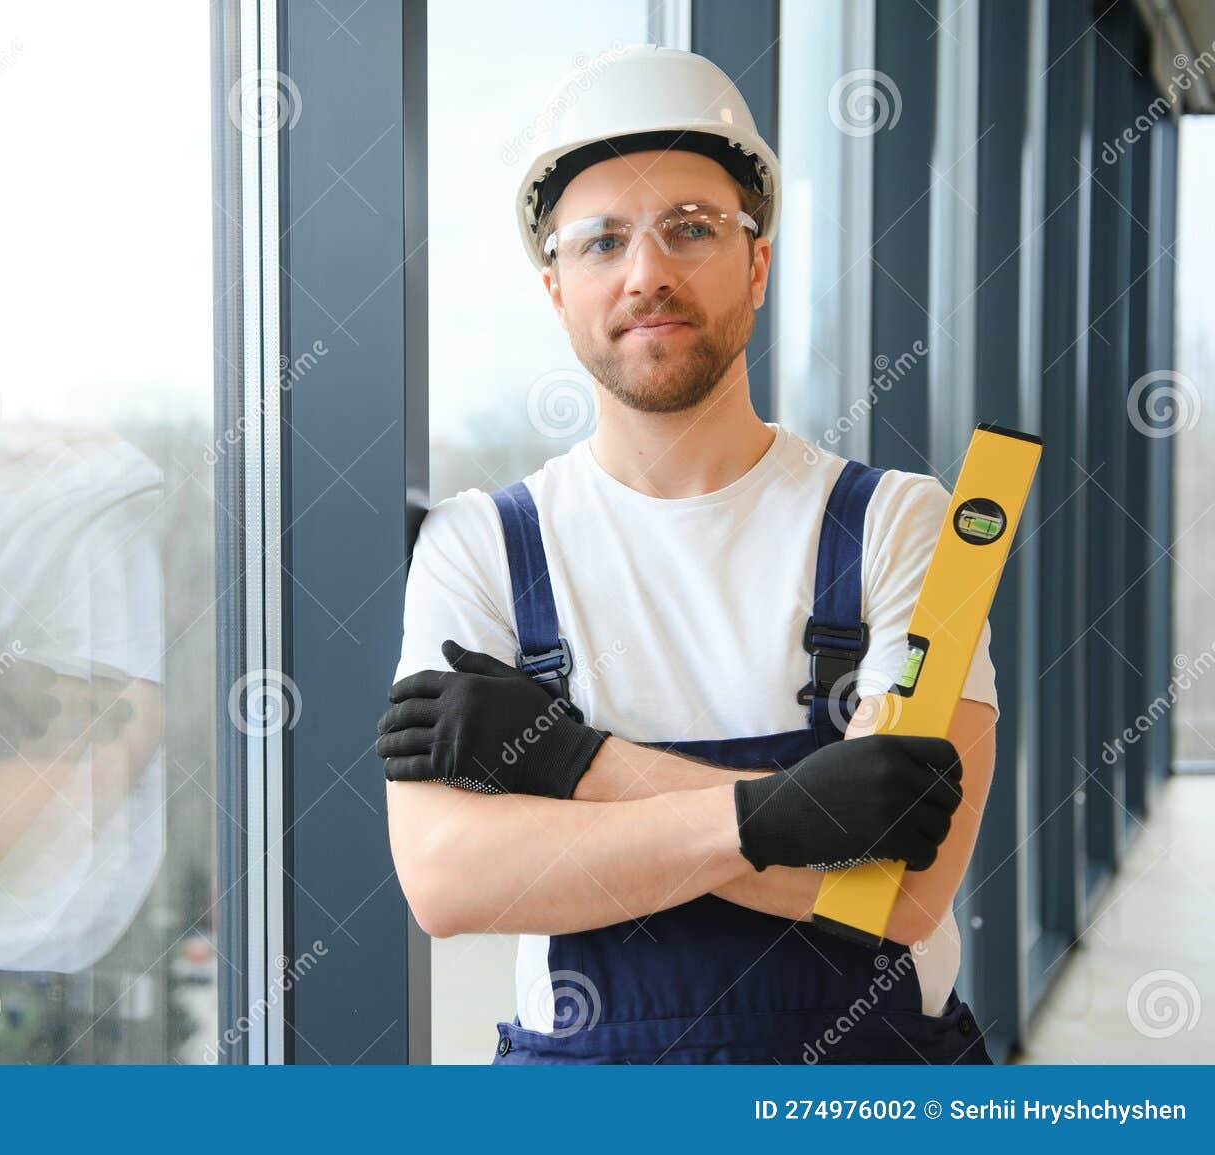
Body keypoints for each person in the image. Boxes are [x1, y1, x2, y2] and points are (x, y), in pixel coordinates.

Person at [377, 45, 998, 1064]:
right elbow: (449, 884)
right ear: (555, 289)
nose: (646, 272)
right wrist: (787, 820)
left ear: (756, 263)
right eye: (602, 241)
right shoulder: (478, 548)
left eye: (690, 230)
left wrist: (566, 764)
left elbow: (903, 895)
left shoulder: (903, 524)